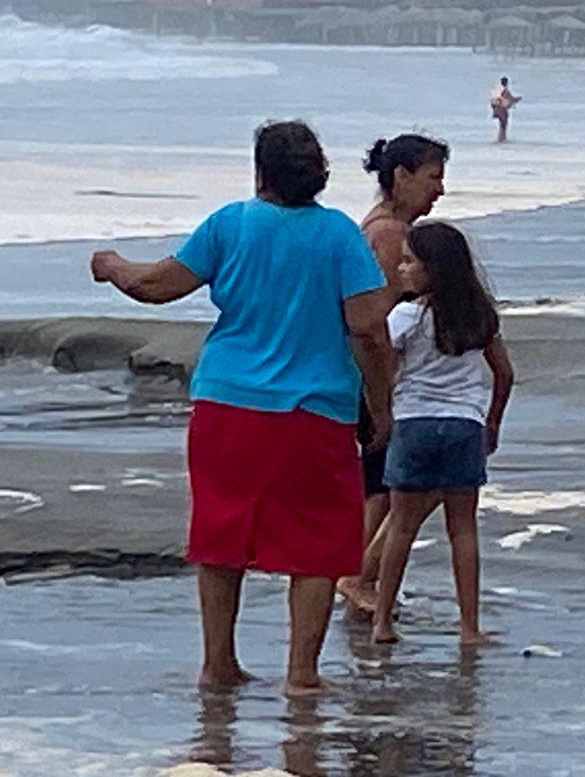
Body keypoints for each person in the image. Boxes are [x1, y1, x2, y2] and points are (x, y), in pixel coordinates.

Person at [90, 120, 392, 695]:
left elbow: (156, 285)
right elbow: (367, 328)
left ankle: (219, 664)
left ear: (260, 171)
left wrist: (112, 266)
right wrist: (381, 405)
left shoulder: (230, 224)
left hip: (226, 403)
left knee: (222, 534)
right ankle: (301, 674)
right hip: (313, 408)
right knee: (317, 544)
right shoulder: (337, 235)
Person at [371, 220, 516, 646]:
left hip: (414, 423)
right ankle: (469, 626)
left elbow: (385, 366)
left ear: (433, 269)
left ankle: (382, 621)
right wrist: (493, 421)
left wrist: (380, 407)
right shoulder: (479, 316)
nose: (401, 268)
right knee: (463, 529)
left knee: (401, 526)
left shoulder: (405, 316)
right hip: (464, 424)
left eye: (409, 261)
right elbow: (504, 374)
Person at [338, 134, 451, 615]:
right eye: (432, 179)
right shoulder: (388, 235)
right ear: (400, 177)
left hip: (376, 377)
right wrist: (384, 391)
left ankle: (362, 579)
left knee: (383, 488)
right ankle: (357, 578)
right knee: (386, 490)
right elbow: (376, 319)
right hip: (381, 378)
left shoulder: (380, 227)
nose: (439, 191)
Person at [489, 77, 521, 144]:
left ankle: (500, 139)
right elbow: (510, 99)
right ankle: (502, 139)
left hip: (496, 109)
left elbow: (493, 100)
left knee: (501, 125)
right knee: (503, 125)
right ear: (506, 83)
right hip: (502, 110)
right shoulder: (505, 91)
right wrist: (517, 99)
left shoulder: (497, 90)